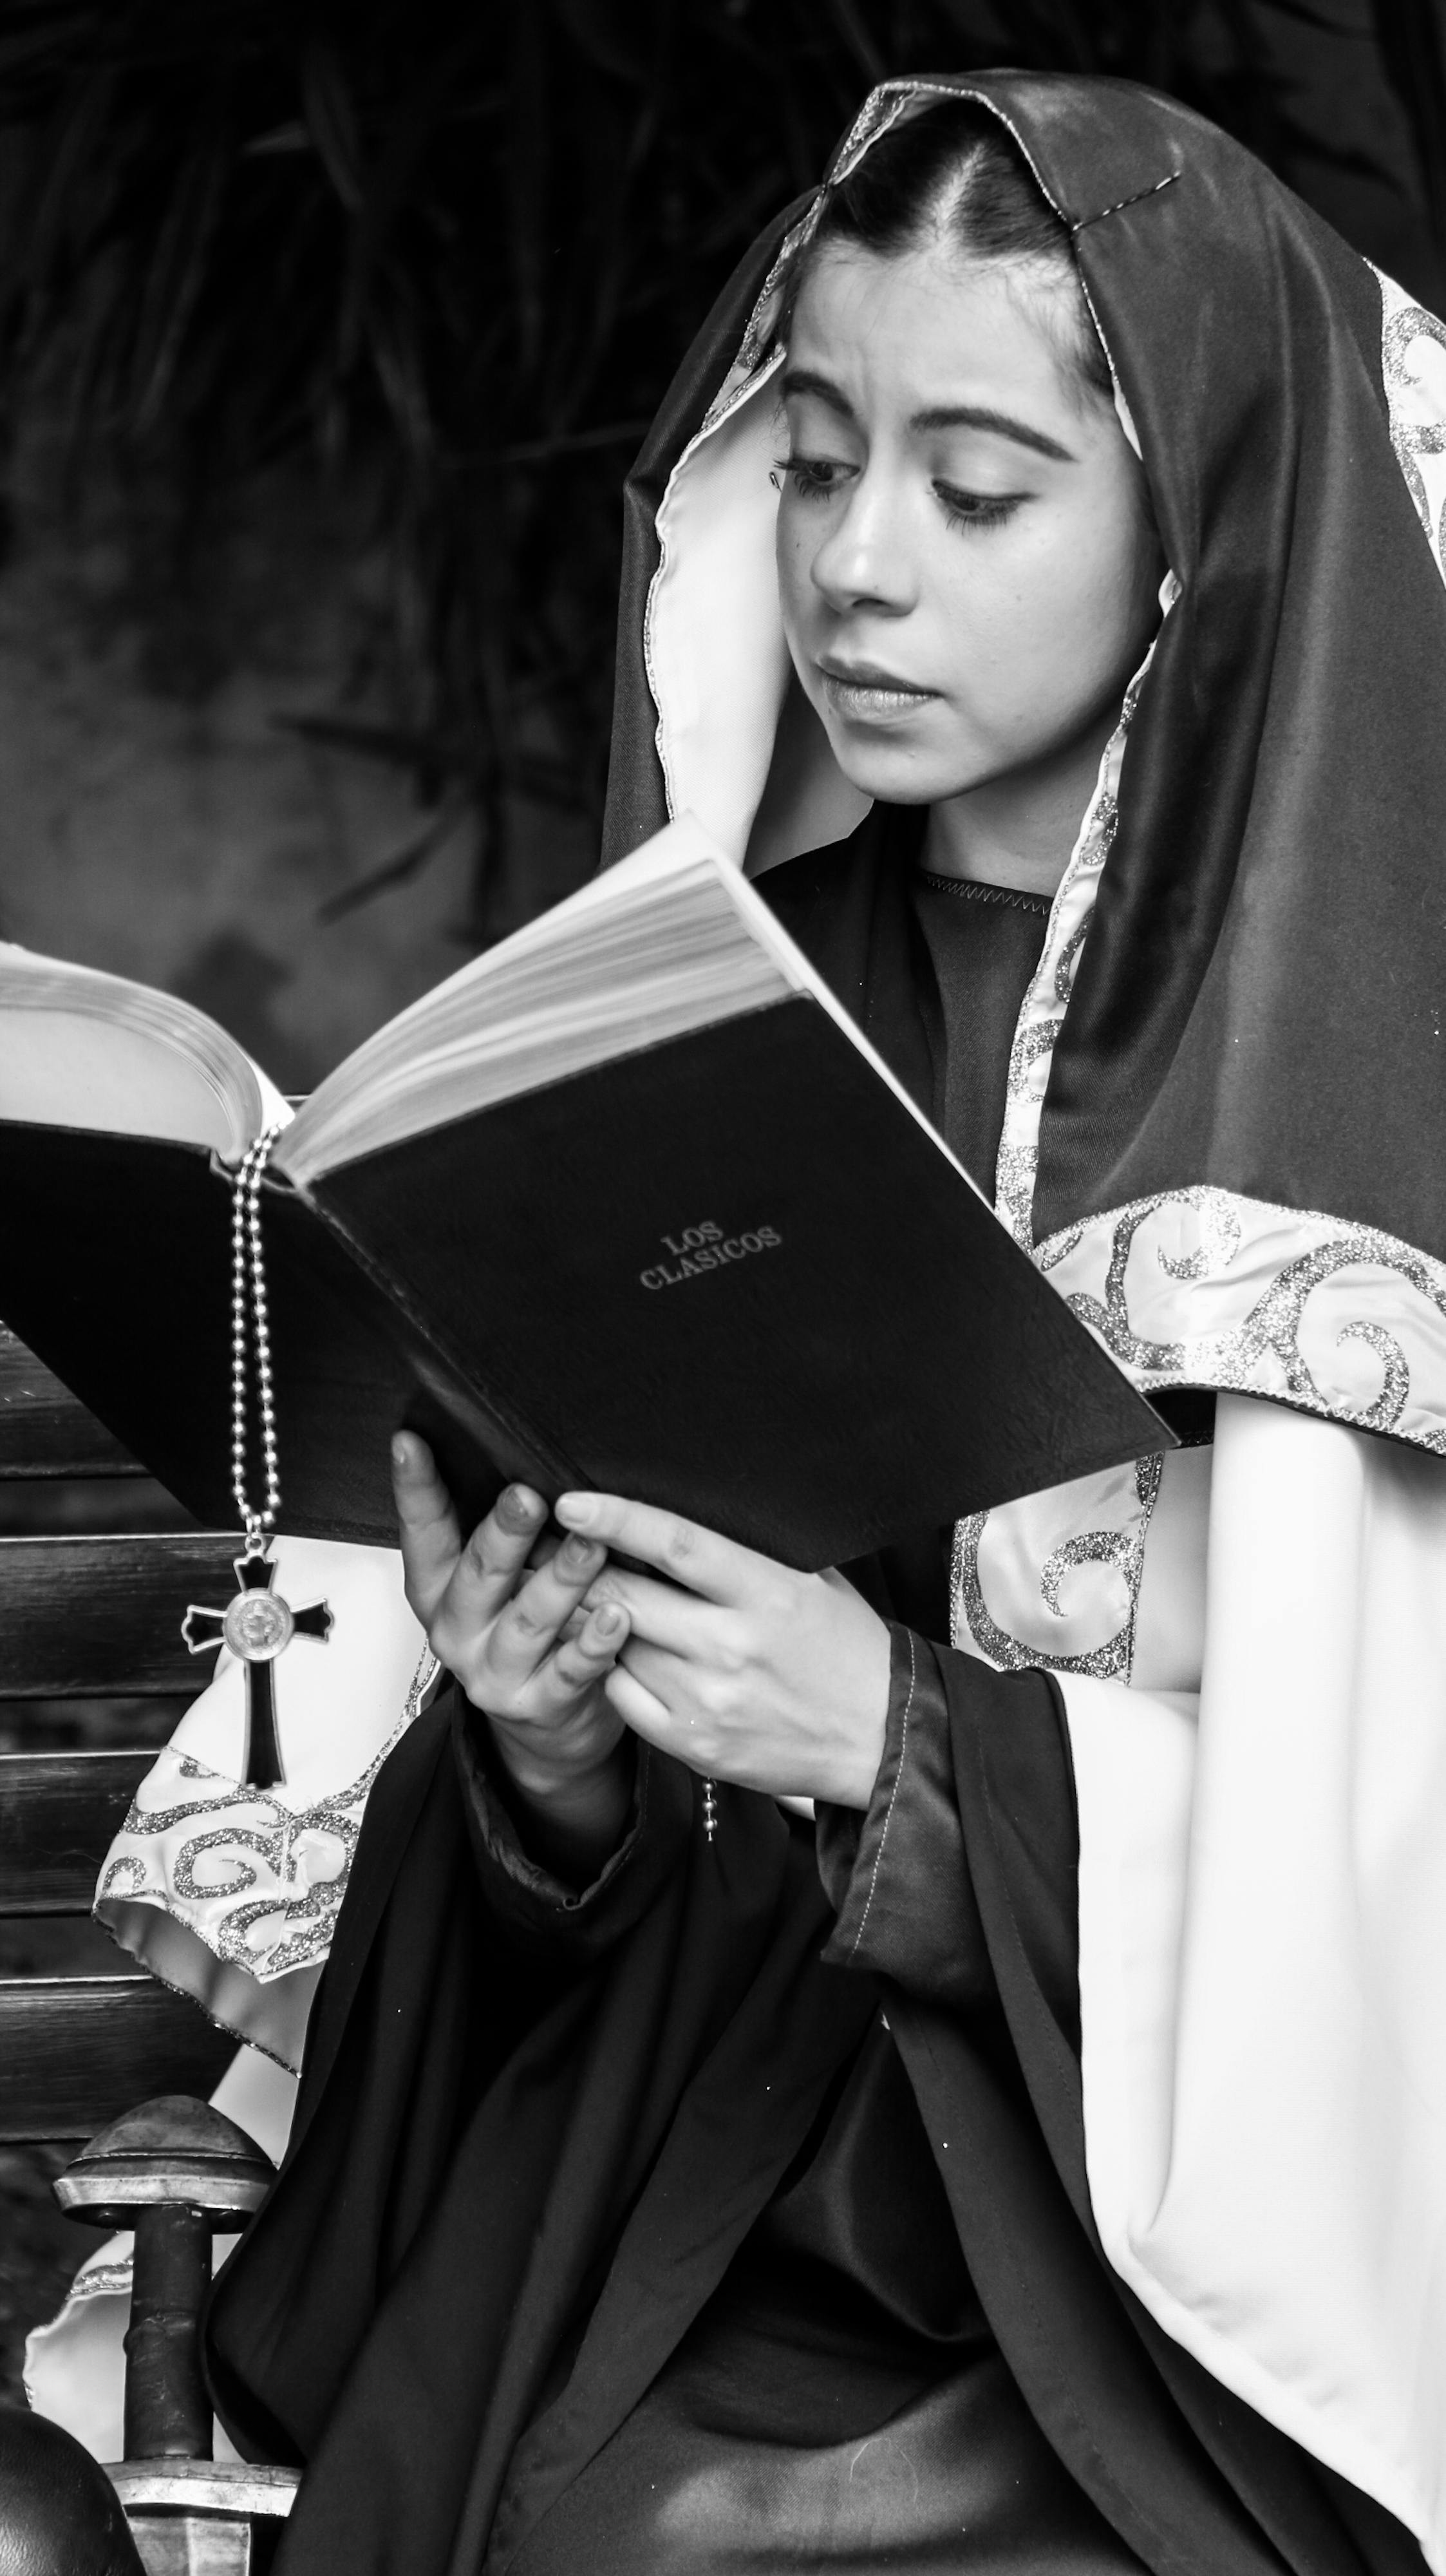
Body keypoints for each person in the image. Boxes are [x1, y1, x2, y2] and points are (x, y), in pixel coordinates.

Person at [205, 70, 1446, 2576]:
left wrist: (898, 1747)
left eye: (975, 489)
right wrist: (551, 1765)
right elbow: (611, 1839)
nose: (856, 570)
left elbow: (1391, 1869)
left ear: (1190, 519)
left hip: (1154, 2342)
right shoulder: (716, 1024)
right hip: (718, 2219)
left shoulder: (1374, 1097)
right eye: (810, 462)